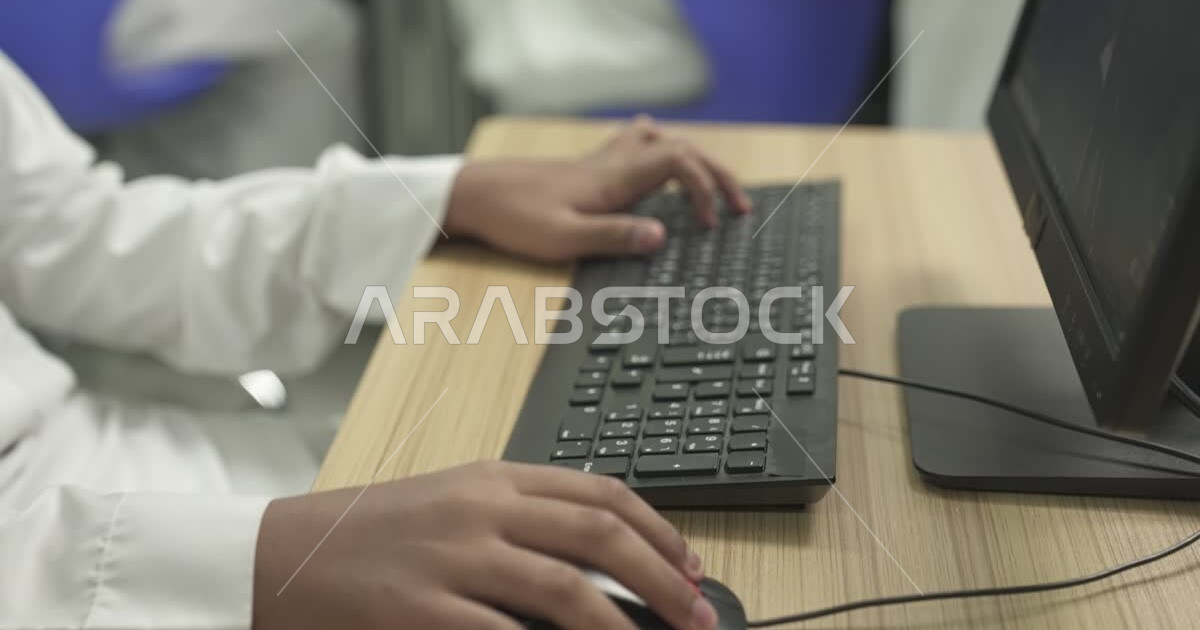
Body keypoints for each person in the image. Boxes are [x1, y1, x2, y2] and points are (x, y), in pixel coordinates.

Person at [0, 44, 751, 630]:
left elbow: (74, 230)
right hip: (49, 582)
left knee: (559, 488)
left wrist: (448, 195)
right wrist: (251, 568)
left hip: (107, 468)